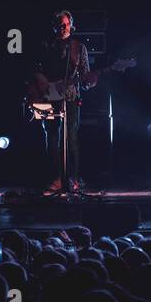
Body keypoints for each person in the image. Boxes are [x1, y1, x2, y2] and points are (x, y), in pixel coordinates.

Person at [30, 10, 92, 192]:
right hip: (43, 97)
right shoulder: (44, 45)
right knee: (51, 138)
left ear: (70, 25)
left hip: (70, 98)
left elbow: (85, 75)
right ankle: (54, 179)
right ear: (54, 26)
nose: (63, 28)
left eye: (65, 24)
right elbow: (32, 68)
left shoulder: (79, 48)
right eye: (59, 24)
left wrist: (90, 81)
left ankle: (72, 178)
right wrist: (40, 79)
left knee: (71, 139)